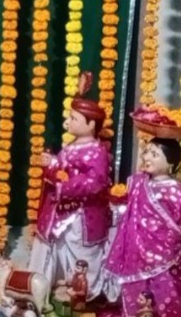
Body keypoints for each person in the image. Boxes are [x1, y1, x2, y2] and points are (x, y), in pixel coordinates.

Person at [104, 138, 181, 317]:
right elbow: (128, 212)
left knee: (164, 297)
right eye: (146, 152)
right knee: (137, 295)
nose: (147, 157)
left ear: (171, 164)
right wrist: (119, 206)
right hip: (137, 253)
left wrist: (168, 244)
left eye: (155, 154)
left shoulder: (176, 191)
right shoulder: (138, 183)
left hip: (167, 259)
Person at [27, 98, 115, 302]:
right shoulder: (72, 145)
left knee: (80, 251)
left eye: (74, 118)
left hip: (83, 215)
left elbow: (95, 183)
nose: (69, 122)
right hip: (60, 211)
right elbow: (64, 170)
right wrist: (53, 164)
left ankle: (82, 293)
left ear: (91, 124)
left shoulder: (97, 151)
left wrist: (63, 187)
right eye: (69, 117)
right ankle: (45, 288)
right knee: (54, 245)